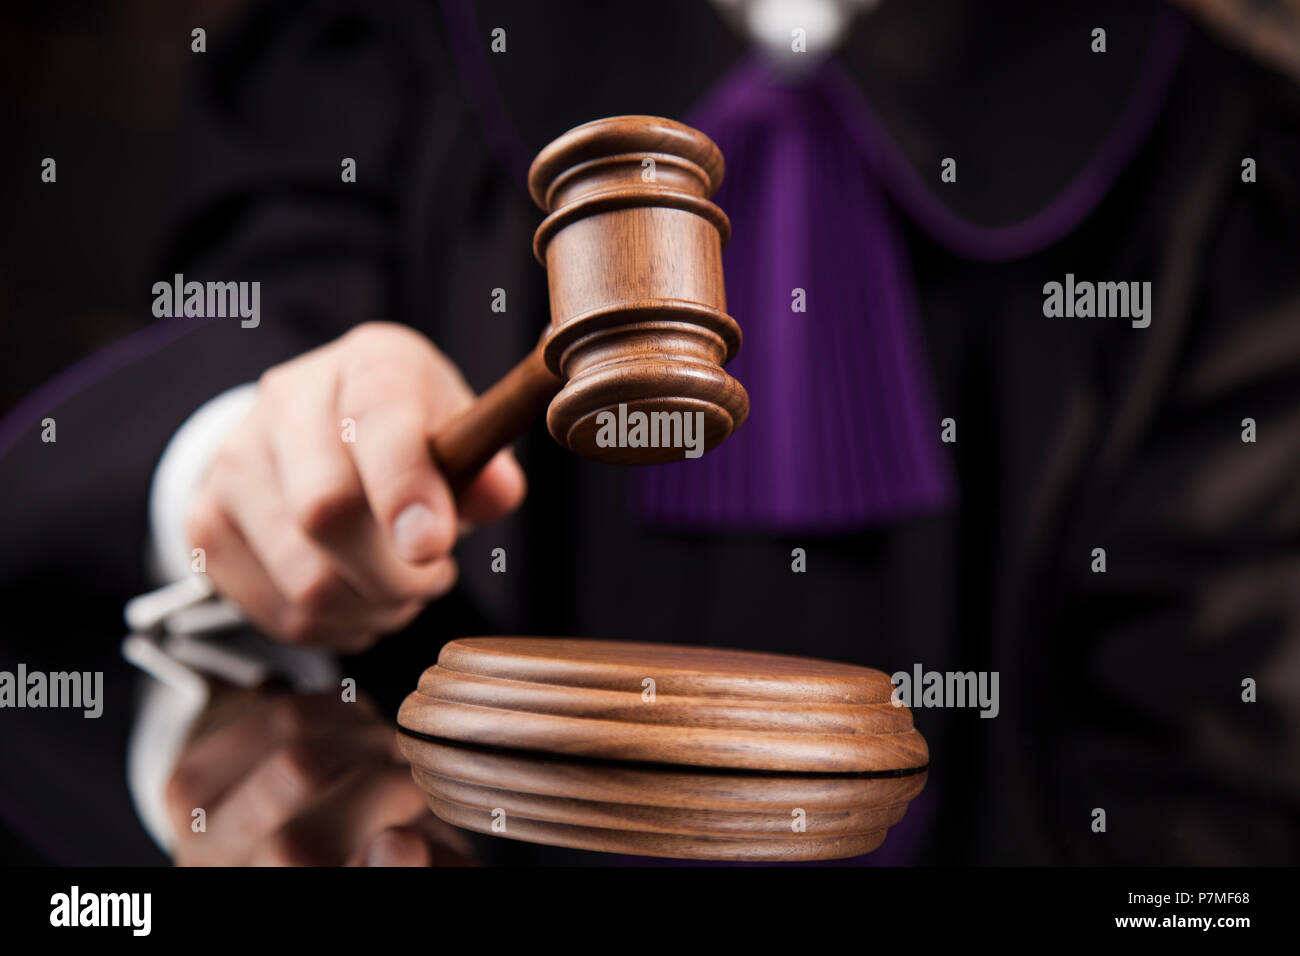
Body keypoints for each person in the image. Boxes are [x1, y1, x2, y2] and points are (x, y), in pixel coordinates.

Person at [2, 0, 1298, 866]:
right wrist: (243, 460)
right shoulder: (380, 46)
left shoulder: (1218, 159)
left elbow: (1230, 730)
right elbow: (249, 322)